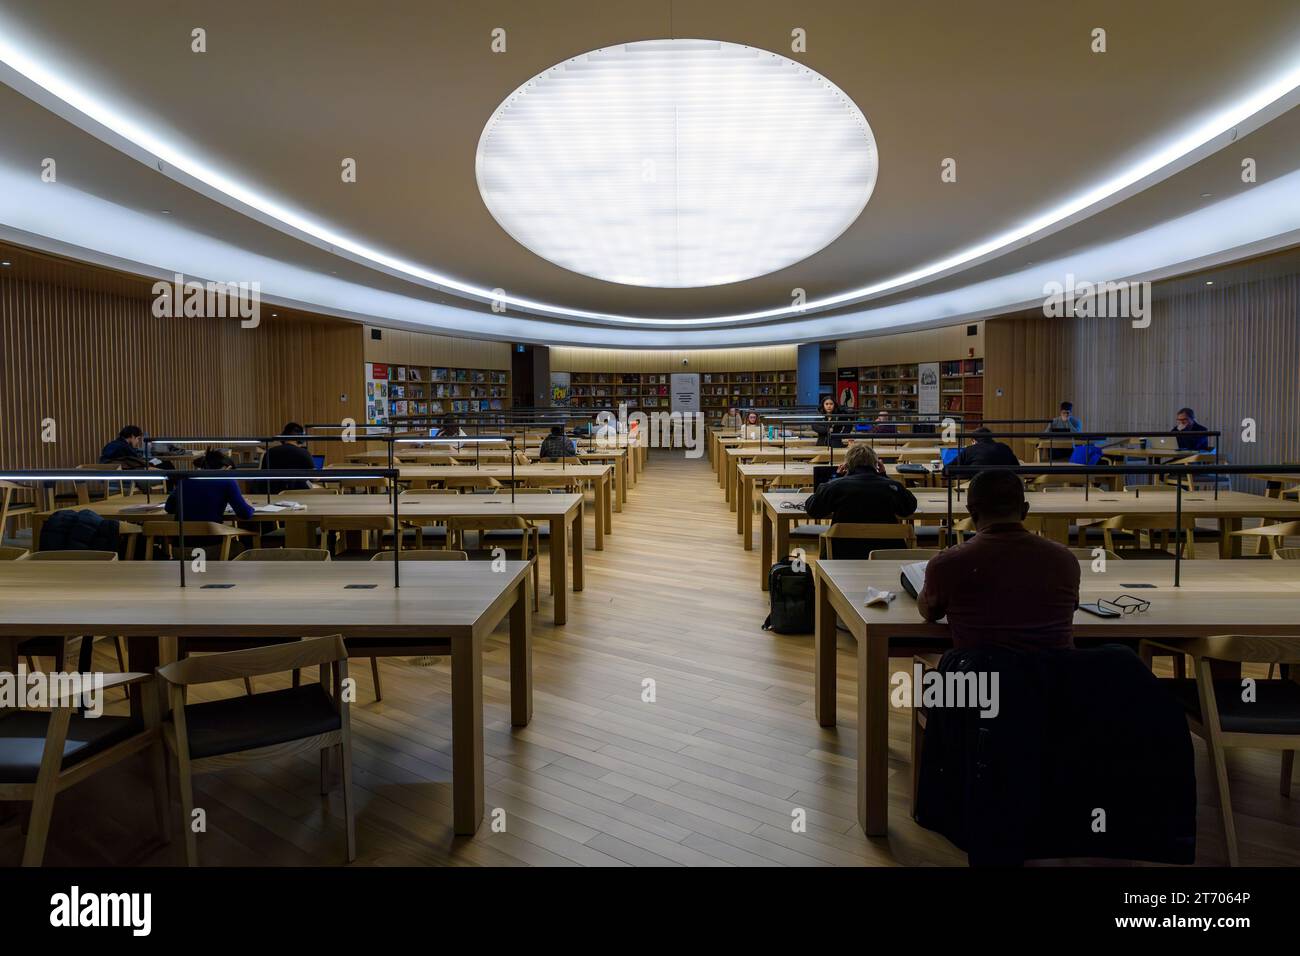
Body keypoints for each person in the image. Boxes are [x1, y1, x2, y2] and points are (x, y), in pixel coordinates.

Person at [917, 470, 1080, 651]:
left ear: (972, 513)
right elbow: (1067, 610)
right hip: (1056, 676)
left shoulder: (946, 564)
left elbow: (928, 612)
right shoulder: (1065, 560)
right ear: (1025, 510)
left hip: (981, 676)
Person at [803, 443, 918, 558]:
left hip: (841, 553)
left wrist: (835, 479)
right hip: (886, 553)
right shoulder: (892, 487)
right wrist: (884, 477)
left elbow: (813, 510)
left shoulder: (836, 486)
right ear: (876, 464)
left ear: (847, 465)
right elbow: (909, 508)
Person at [165, 449, 255, 524]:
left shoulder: (185, 480)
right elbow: (245, 514)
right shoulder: (227, 482)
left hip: (181, 542)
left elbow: (169, 507)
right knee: (240, 544)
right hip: (214, 540)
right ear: (227, 468)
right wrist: (249, 506)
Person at [260, 421, 316, 493]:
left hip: (272, 494)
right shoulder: (304, 453)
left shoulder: (269, 452)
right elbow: (314, 478)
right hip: (298, 493)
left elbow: (262, 476)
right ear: (300, 439)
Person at [944, 427, 1019, 476]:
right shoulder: (1004, 447)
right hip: (1004, 487)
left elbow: (946, 470)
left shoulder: (969, 450)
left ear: (974, 440)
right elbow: (1017, 467)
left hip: (979, 488)